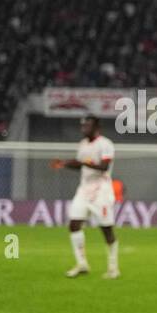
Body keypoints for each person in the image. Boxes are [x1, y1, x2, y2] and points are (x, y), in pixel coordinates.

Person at [52, 116, 119, 279]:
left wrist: (83, 163)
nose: (83, 128)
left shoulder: (106, 144)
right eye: (82, 125)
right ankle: (82, 264)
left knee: (106, 229)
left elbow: (104, 167)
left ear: (96, 127)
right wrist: (65, 164)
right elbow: (80, 163)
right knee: (74, 224)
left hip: (101, 190)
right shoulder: (82, 145)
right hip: (84, 189)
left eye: (87, 125)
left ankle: (113, 268)